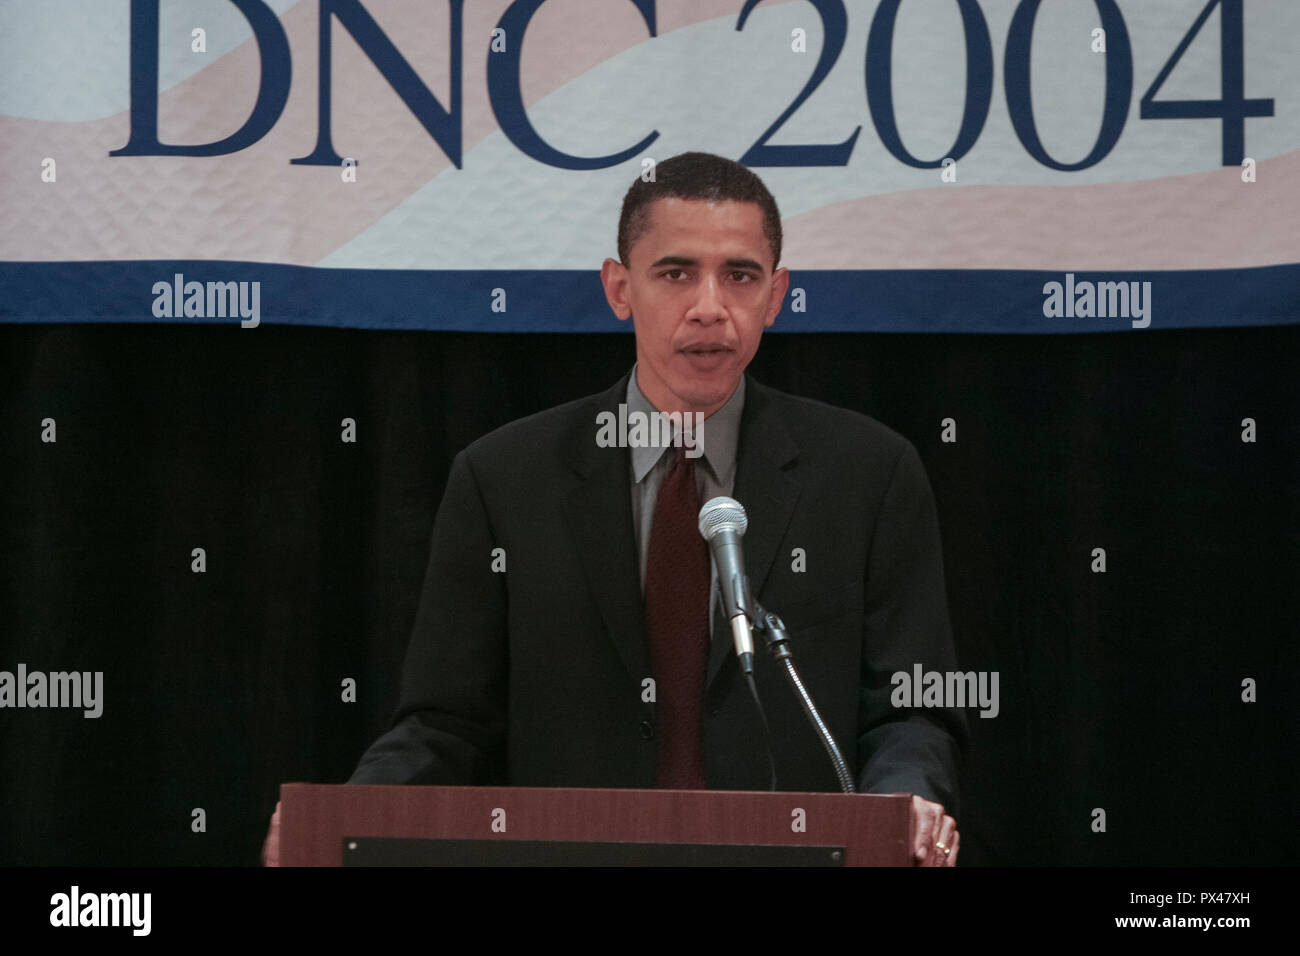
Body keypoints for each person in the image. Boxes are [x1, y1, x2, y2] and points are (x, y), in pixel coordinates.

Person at [264, 152, 966, 866]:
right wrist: (349, 816)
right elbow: (446, 725)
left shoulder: (867, 473)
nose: (709, 306)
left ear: (777, 295)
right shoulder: (504, 479)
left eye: (741, 276)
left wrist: (907, 801)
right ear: (619, 288)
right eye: (675, 272)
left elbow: (909, 707)